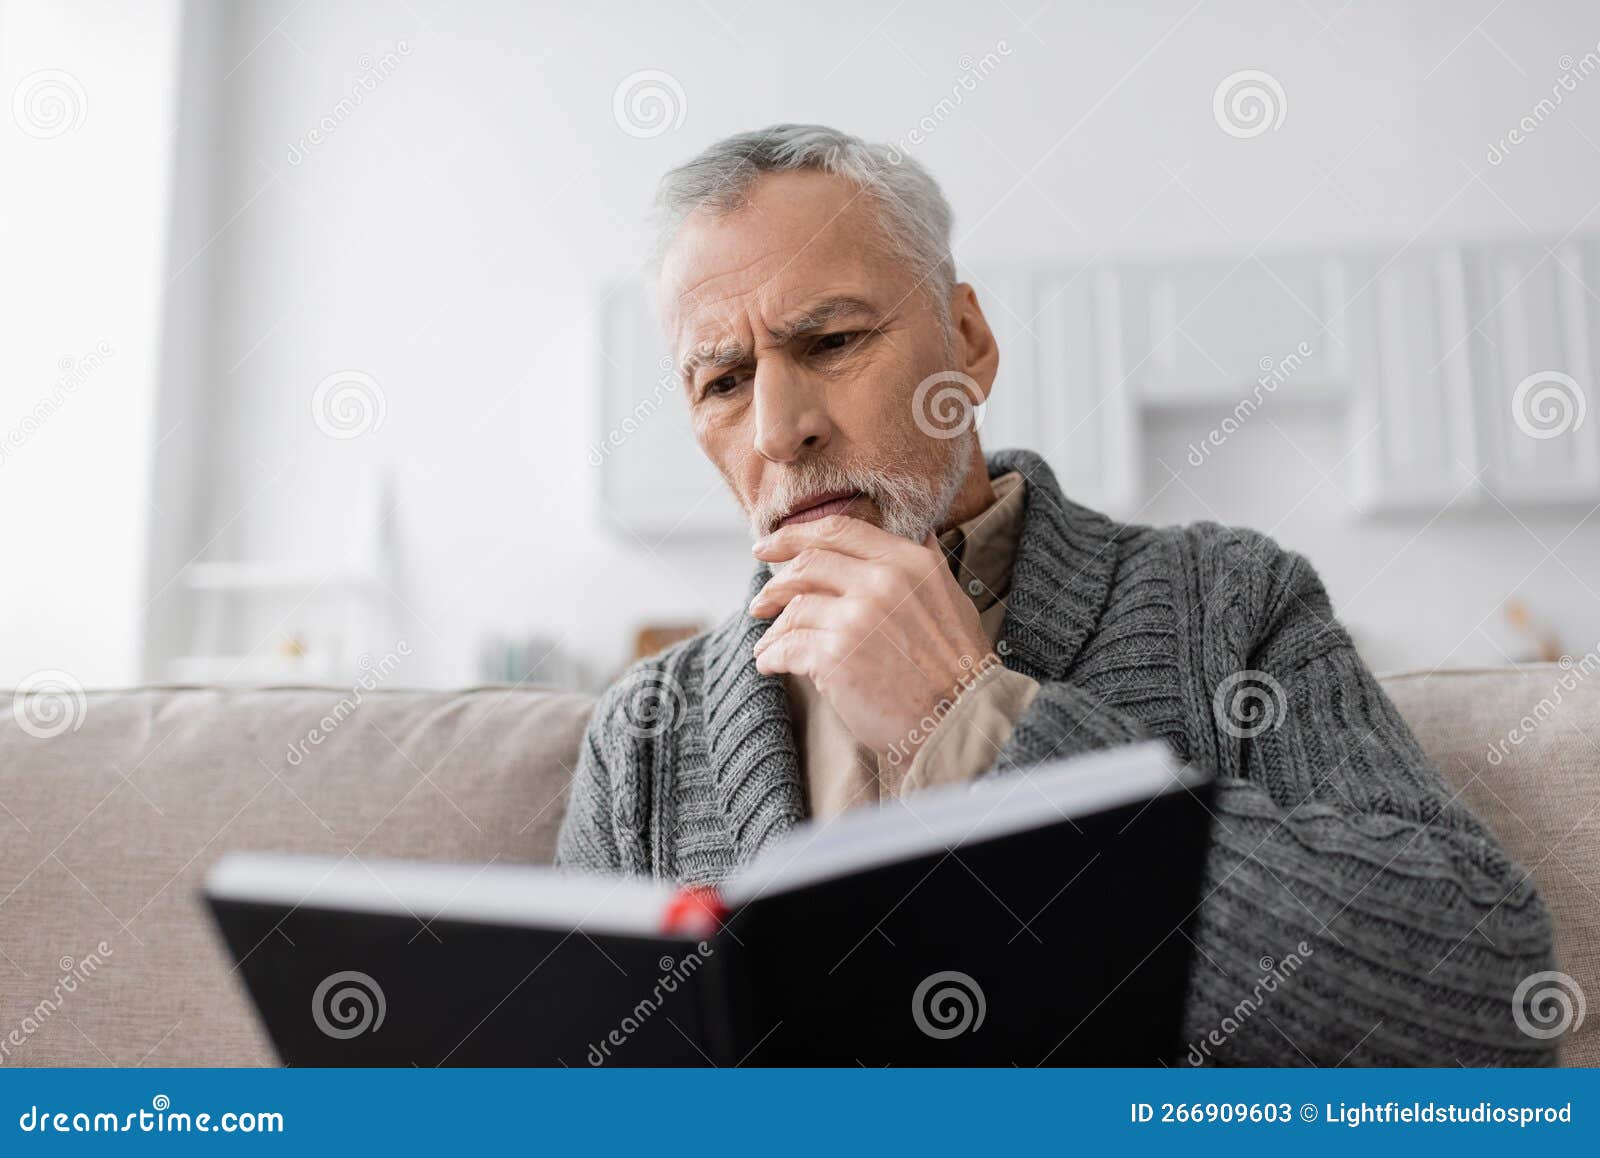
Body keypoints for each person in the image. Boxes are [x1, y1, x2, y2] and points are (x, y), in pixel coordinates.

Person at [557, 123, 1556, 1065]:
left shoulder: (1227, 602)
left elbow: (1482, 995)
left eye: (830, 342)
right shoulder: (643, 733)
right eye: (723, 381)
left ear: (967, 342)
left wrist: (975, 723)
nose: (779, 428)